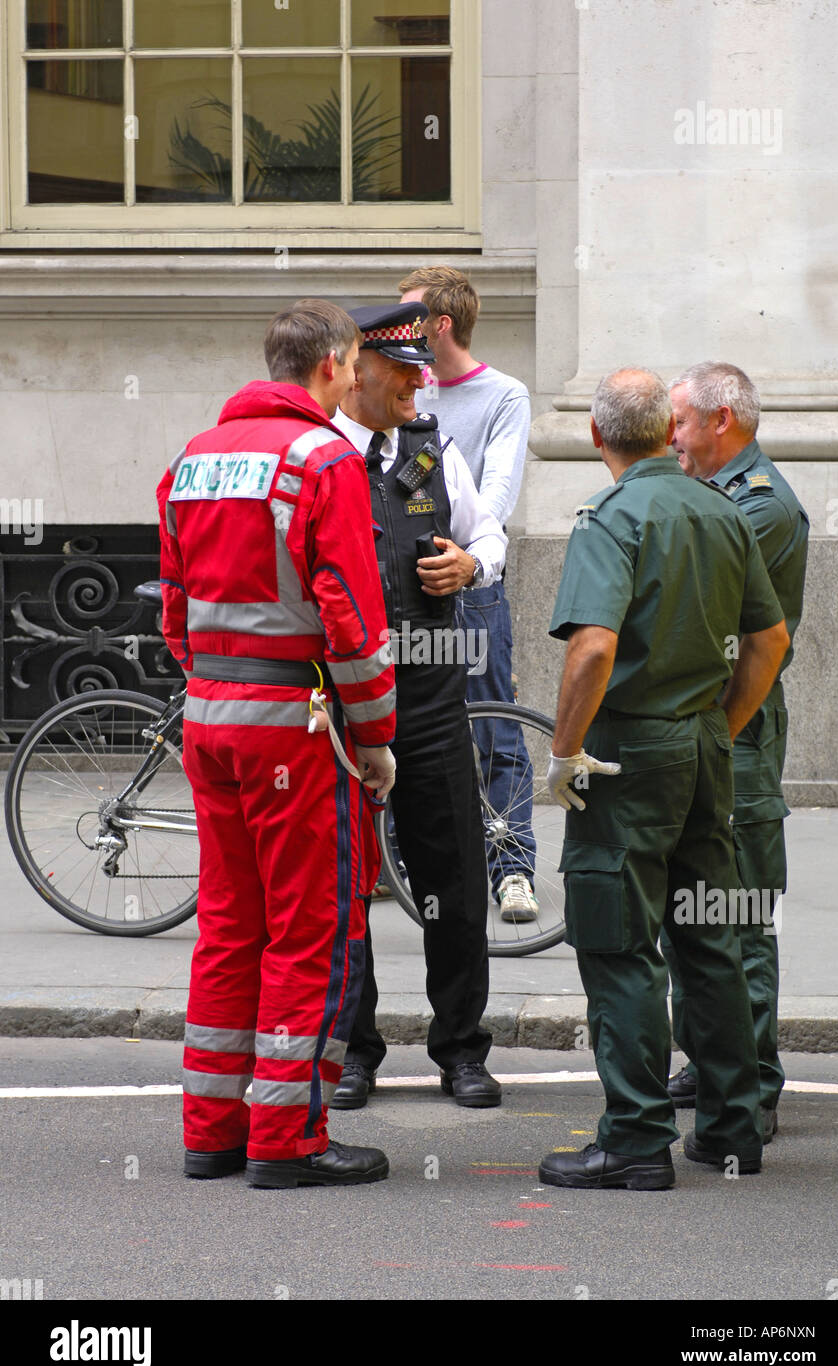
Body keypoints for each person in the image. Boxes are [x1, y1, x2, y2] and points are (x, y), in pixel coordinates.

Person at [157, 299, 397, 1189]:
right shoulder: (323, 459)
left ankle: (212, 1131)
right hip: (298, 726)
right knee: (309, 931)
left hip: (210, 715)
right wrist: (374, 739)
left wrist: (216, 679)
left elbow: (176, 611)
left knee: (228, 924)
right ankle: (287, 1139)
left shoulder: (192, 461)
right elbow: (352, 620)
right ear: (334, 365)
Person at [538, 367, 791, 1191]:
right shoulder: (721, 508)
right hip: (704, 754)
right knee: (710, 937)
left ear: (597, 435)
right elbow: (770, 639)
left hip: (627, 758)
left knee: (620, 946)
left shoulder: (612, 517)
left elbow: (594, 648)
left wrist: (564, 752)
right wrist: (721, 727)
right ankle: (729, 1132)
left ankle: (636, 1139)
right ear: (665, 431)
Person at [329, 301, 507, 1110]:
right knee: (344, 886)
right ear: (356, 373)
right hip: (339, 704)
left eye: (419, 373)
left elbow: (491, 532)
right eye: (403, 374)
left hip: (430, 695)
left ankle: (462, 1049)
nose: (417, 387)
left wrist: (470, 564)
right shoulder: (322, 453)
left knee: (456, 880)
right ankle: (354, 1048)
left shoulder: (433, 447)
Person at [663, 362, 809, 1143]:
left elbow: (704, 604)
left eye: (680, 422)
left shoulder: (760, 508)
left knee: (742, 911)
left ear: (722, 420)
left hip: (738, 734)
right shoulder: (716, 496)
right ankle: (713, 1060)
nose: (670, 438)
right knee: (693, 907)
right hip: (705, 726)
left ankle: (752, 1083)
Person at [397, 267, 537, 924]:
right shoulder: (402, 390)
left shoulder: (503, 395)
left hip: (473, 579)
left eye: (407, 317)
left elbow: (498, 492)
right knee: (398, 721)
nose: (394, 331)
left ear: (439, 325)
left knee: (492, 722)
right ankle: (397, 858)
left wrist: (466, 553)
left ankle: (511, 869)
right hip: (407, 582)